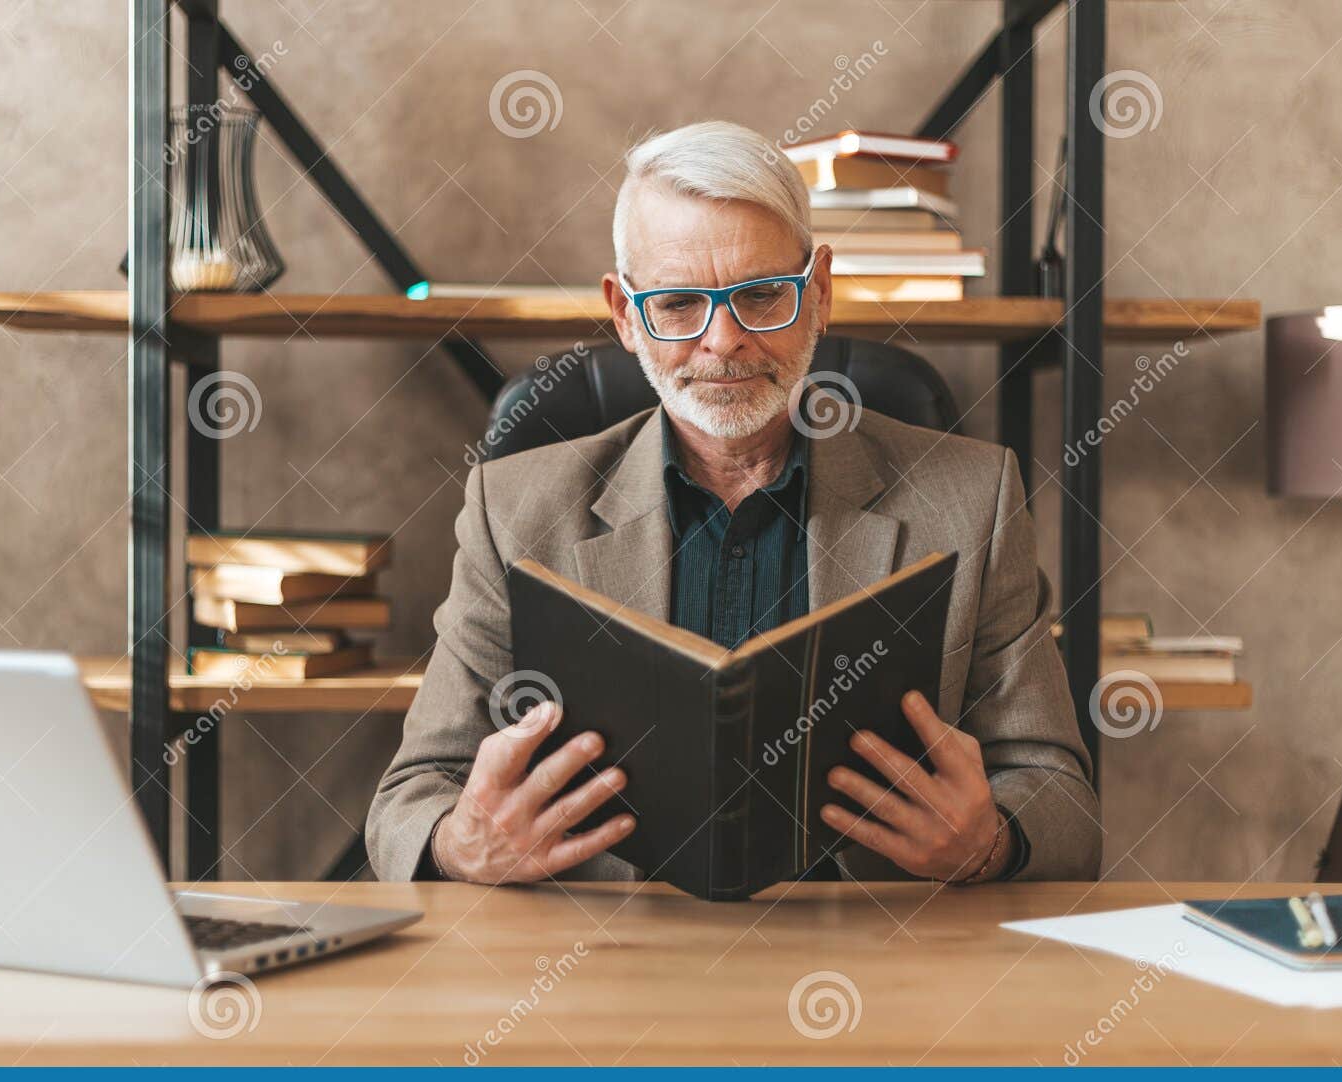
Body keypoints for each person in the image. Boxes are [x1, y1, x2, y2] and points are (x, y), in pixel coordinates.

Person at [367, 120, 1100, 887]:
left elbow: (1065, 803)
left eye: (759, 295)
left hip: (875, 963)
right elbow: (407, 799)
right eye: (679, 304)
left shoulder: (974, 498)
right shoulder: (512, 508)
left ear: (818, 293)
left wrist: (989, 840)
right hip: (605, 969)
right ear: (625, 314)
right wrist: (461, 843)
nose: (724, 340)